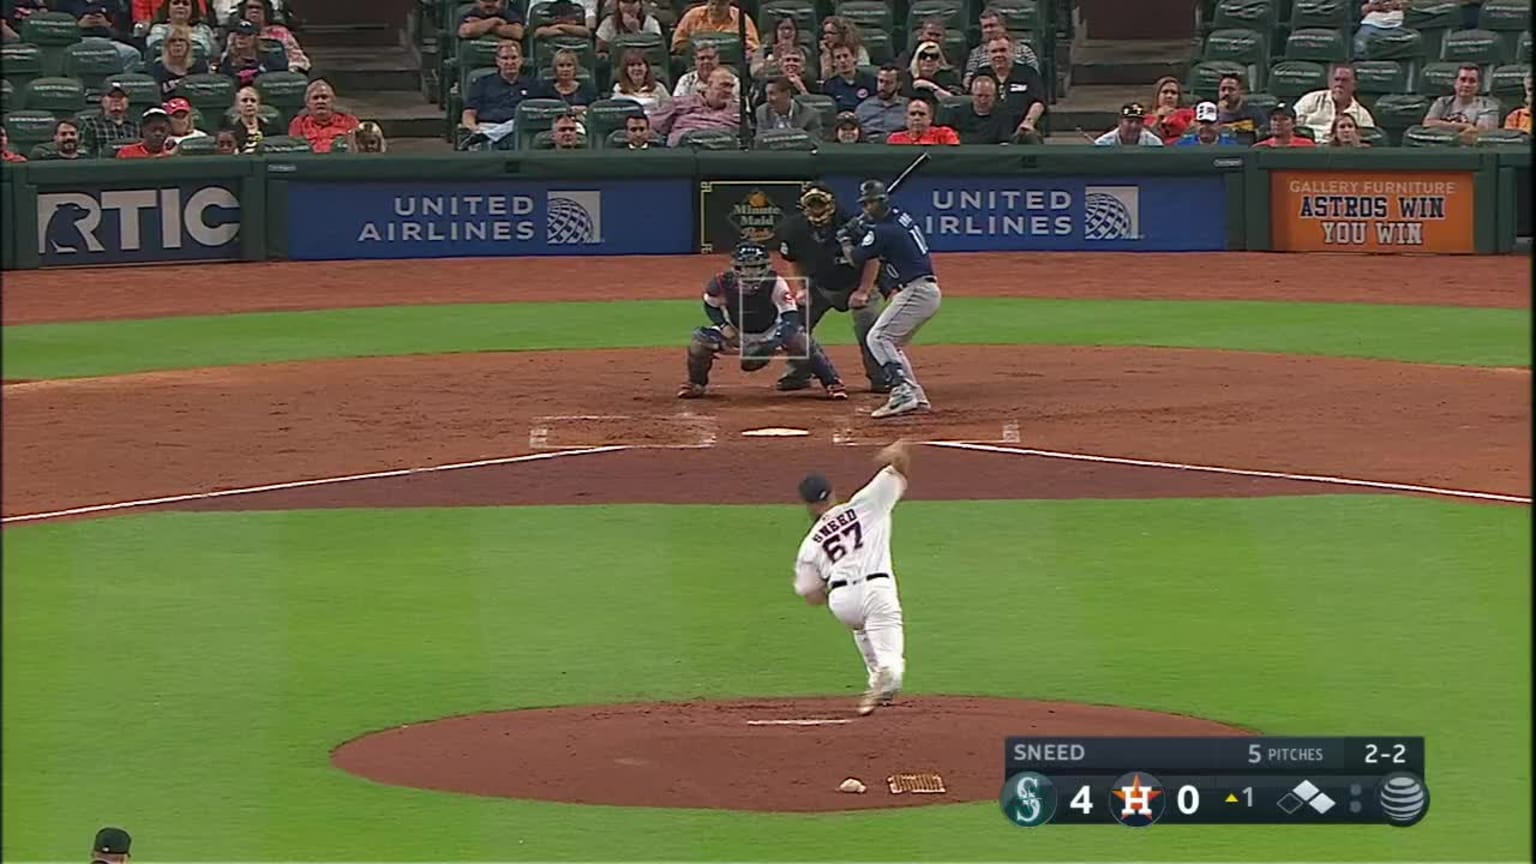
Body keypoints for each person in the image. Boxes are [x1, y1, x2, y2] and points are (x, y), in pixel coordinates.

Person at [792, 438, 914, 715]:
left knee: (861, 628)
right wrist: (898, 451)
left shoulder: (810, 543)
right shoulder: (866, 504)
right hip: (877, 589)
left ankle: (875, 685)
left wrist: (832, 588)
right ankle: (887, 674)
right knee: (891, 659)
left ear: (809, 505)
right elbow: (898, 470)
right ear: (832, 493)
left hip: (842, 600)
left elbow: (811, 596)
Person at [676, 241, 846, 400]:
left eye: (756, 267)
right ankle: (696, 383)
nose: (751, 273)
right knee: (699, 342)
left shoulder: (775, 283)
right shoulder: (720, 283)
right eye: (746, 268)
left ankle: (832, 382)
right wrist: (724, 325)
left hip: (770, 332)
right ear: (736, 268)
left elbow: (791, 317)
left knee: (800, 339)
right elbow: (711, 306)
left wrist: (775, 342)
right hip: (737, 333)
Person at [838, 179, 941, 418]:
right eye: (863, 205)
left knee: (877, 337)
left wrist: (845, 238)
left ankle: (901, 391)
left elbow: (855, 257)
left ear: (882, 201)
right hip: (921, 291)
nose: (866, 208)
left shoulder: (884, 231)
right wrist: (865, 228)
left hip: (916, 291)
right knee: (890, 344)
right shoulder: (899, 218)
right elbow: (877, 235)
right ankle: (915, 396)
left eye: (869, 204)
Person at [773, 182, 887, 393]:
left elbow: (873, 258)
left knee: (869, 327)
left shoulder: (854, 224)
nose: (816, 208)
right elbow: (792, 259)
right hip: (819, 285)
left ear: (832, 203)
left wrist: (863, 290)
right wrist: (801, 288)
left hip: (857, 283)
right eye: (811, 204)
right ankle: (799, 372)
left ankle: (881, 377)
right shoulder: (792, 228)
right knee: (794, 325)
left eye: (820, 203)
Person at [460, 40, 535, 149]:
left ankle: (487, 137)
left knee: (516, 123)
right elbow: (469, 113)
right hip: (488, 126)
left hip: (518, 130)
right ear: (498, 61)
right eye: (505, 58)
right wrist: (474, 128)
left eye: (514, 58)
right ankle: (489, 135)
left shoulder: (533, 84)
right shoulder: (482, 83)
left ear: (521, 60)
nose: (510, 62)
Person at [1293, 64, 1375, 144]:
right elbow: (1291, 125)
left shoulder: (1363, 116)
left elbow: (1367, 143)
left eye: (1344, 80)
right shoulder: (1310, 100)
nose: (1339, 84)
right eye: (1336, 79)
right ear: (1330, 83)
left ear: (1354, 85)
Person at [1422, 64, 1501, 144]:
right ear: (1455, 82)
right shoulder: (1442, 101)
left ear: (1478, 86)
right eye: (1463, 80)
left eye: (1472, 81)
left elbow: (1480, 132)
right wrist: (1464, 126)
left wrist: (1443, 127)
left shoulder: (1487, 105)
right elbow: (1428, 123)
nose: (1466, 85)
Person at [218, 18, 287, 88]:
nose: (241, 38)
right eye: (238, 34)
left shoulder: (269, 58)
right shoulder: (229, 60)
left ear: (255, 38)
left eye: (247, 34)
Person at [149, 24, 209, 98]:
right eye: (172, 41)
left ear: (188, 45)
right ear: (167, 46)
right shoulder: (158, 67)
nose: (177, 44)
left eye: (181, 40)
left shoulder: (199, 66)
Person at [147, 0, 217, 59]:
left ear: (193, 8)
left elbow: (215, 55)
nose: (180, 6)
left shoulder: (204, 29)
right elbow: (156, 52)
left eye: (185, 4)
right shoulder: (158, 29)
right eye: (175, 3)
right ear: (167, 7)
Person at [754, 75, 820, 136]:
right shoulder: (762, 112)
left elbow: (815, 142)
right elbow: (759, 141)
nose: (768, 99)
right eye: (767, 94)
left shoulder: (809, 114)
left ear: (787, 94)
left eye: (772, 94)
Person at [611, 49, 670, 114]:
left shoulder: (659, 88)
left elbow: (668, 111)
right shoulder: (618, 89)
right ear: (626, 70)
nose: (636, 68)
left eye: (639, 64)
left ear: (646, 68)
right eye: (632, 65)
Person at [1215, 72, 1269, 145]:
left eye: (1231, 89)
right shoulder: (1213, 113)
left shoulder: (1254, 111)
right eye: (1223, 89)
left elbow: (1266, 131)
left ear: (1241, 92)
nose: (1226, 93)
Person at [595, 0, 661, 57]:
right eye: (625, 1)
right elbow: (601, 49)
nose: (629, 6)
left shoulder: (650, 22)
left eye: (633, 2)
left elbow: (657, 48)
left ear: (640, 4)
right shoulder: (609, 22)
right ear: (618, 4)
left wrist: (636, 31)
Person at [886, 97, 960, 144]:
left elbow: (954, 157)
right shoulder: (895, 139)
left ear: (930, 118)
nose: (917, 118)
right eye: (912, 114)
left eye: (922, 114)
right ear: (906, 118)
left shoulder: (944, 134)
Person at [1147, 75, 1194, 144]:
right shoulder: (1146, 118)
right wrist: (1158, 120)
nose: (1169, 96)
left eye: (1173, 93)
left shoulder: (1189, 114)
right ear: (1157, 95)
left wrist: (1174, 118)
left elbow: (1193, 134)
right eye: (1165, 92)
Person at [1094, 102, 1163, 145]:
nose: (1134, 126)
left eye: (1138, 122)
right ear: (1120, 122)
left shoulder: (1153, 143)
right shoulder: (1103, 143)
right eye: (1130, 121)